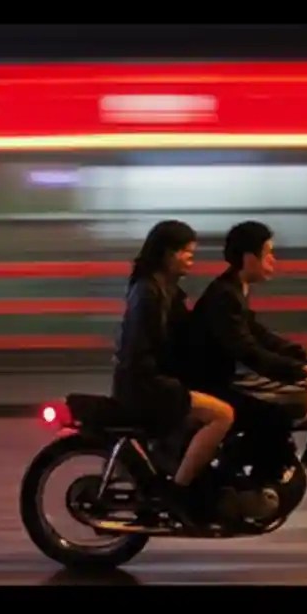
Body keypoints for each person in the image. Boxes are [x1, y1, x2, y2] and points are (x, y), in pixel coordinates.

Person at [111, 220, 234, 523]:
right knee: (222, 415)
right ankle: (178, 493)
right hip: (146, 387)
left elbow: (189, 333)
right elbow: (145, 351)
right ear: (168, 254)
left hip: (152, 382)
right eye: (187, 253)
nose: (192, 259)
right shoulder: (148, 294)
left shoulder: (165, 291)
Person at [186, 221, 307, 425]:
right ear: (249, 258)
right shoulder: (224, 296)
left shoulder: (234, 288)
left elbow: (259, 334)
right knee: (274, 416)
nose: (273, 260)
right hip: (209, 385)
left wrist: (303, 354)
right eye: (268, 253)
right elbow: (248, 351)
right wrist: (301, 369)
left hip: (221, 380)